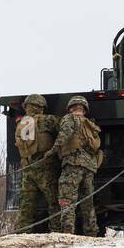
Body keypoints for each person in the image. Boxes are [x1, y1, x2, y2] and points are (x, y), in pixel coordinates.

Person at [53, 95, 103, 235]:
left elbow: (64, 136)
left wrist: (52, 151)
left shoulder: (69, 119)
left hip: (73, 164)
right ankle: (91, 231)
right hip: (89, 167)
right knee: (88, 201)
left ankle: (67, 230)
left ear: (70, 108)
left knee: (67, 198)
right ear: (84, 109)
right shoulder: (90, 125)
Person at [14, 94, 60, 232]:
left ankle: (22, 233)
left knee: (26, 206)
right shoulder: (48, 120)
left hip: (27, 168)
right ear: (41, 107)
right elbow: (66, 127)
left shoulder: (21, 123)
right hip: (45, 167)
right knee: (54, 202)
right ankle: (57, 232)